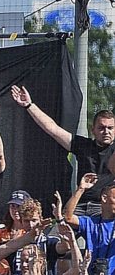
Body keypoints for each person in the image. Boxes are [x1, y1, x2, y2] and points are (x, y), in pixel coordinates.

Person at [12, 85, 114, 215]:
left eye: (110, 128)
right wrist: (29, 105)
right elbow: (53, 129)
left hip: (104, 207)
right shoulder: (83, 145)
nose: (106, 131)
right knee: (61, 228)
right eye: (101, 128)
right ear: (92, 130)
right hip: (79, 205)